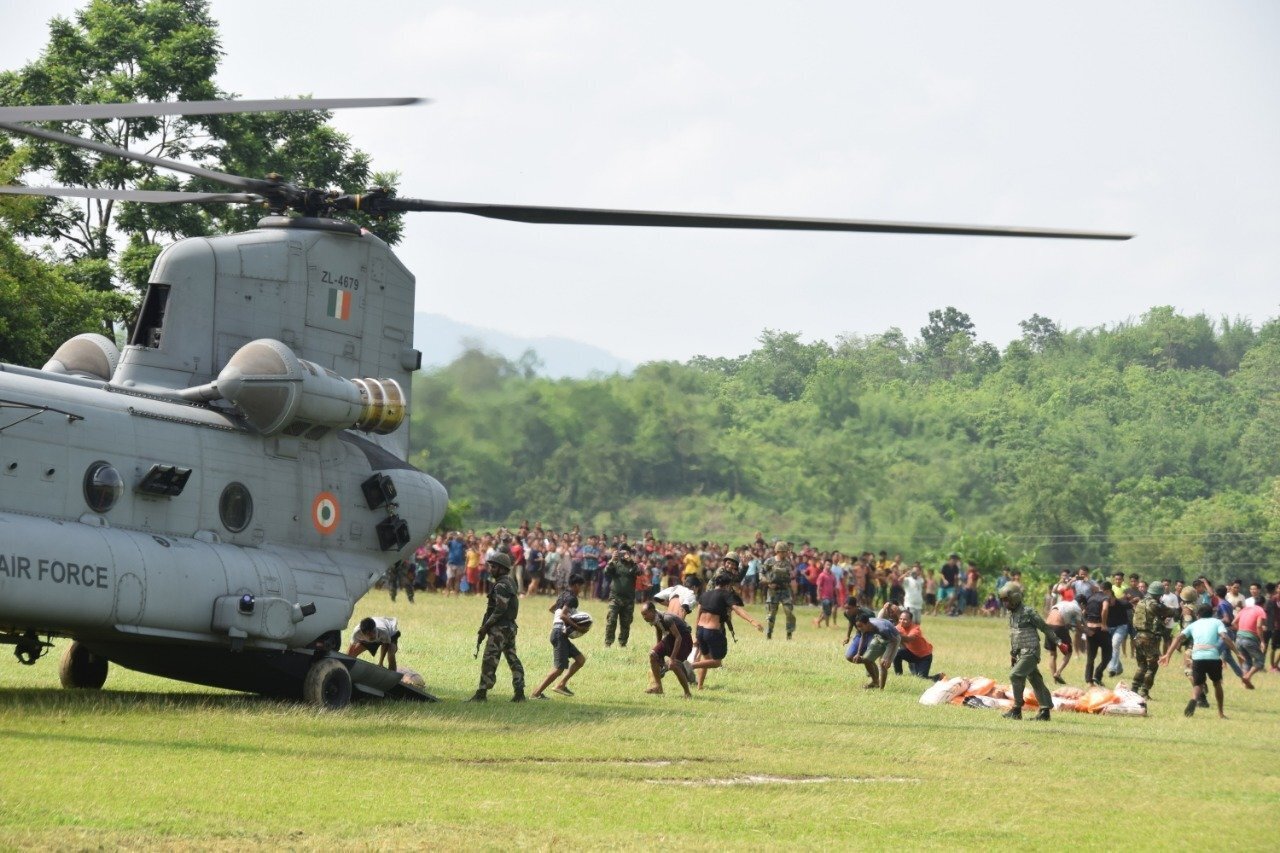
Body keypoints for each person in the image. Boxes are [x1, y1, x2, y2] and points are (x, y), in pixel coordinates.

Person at [1161, 603, 1241, 718]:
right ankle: (1221, 713)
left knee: (1198, 684)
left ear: (1198, 615)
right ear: (1212, 614)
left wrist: (1168, 654)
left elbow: (1178, 637)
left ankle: (1193, 699)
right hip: (1213, 657)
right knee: (1217, 683)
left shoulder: (1194, 624)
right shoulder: (1217, 622)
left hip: (1197, 657)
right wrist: (1237, 653)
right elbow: (1224, 637)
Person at [469, 552, 526, 702]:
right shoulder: (509, 581)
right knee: (512, 658)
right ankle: (519, 692)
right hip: (509, 627)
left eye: (493, 567)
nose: (490, 569)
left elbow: (499, 609)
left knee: (489, 659)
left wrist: (485, 627)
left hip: (500, 628)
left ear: (502, 568)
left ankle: (481, 694)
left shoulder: (501, 585)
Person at [691, 571, 763, 689]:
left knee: (706, 659)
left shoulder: (705, 595)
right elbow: (737, 609)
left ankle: (700, 686)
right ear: (728, 585)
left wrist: (695, 635)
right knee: (716, 662)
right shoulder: (726, 594)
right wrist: (752, 621)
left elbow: (698, 615)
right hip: (712, 632)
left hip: (700, 630)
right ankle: (691, 666)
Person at [998, 582, 1056, 721]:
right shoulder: (1012, 614)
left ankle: (1017, 709)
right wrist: (1013, 654)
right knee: (1035, 680)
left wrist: (1059, 642)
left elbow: (1045, 627)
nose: (1005, 603)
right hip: (1021, 653)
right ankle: (1045, 711)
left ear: (1015, 598)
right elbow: (1015, 635)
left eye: (1007, 600)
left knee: (1015, 675)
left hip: (1031, 651)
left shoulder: (1028, 612)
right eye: (1003, 600)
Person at [530, 574, 588, 700]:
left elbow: (552, 609)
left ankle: (561, 684)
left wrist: (563, 622)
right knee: (559, 668)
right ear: (576, 585)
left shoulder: (563, 595)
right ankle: (536, 693)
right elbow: (562, 615)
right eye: (581, 587)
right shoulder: (572, 598)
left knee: (580, 660)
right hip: (559, 634)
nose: (581, 589)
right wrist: (577, 627)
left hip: (559, 633)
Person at [1130, 582, 1178, 699]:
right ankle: (1144, 692)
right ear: (1159, 595)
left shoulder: (1141, 602)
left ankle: (1134, 689)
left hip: (1138, 636)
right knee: (1152, 666)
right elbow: (1170, 612)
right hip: (1149, 638)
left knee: (1141, 665)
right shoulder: (1154, 605)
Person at [639, 601, 693, 698]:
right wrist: (659, 652)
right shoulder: (655, 618)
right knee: (653, 655)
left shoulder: (667, 618)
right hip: (671, 638)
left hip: (684, 640)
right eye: (643, 615)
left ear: (652, 611)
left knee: (674, 665)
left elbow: (678, 638)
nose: (644, 617)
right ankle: (658, 687)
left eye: (645, 614)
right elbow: (659, 630)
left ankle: (687, 693)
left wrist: (672, 658)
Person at [845, 612, 900, 690]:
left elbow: (894, 641)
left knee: (883, 664)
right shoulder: (865, 626)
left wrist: (888, 658)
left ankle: (881, 689)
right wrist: (858, 653)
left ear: (867, 623)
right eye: (858, 627)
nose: (859, 628)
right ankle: (875, 682)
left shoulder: (882, 629)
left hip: (893, 639)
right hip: (879, 637)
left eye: (861, 626)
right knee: (866, 659)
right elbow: (863, 637)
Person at [603, 544, 643, 647]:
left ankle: (623, 643)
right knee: (611, 620)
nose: (624, 554)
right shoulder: (615, 563)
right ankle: (608, 643)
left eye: (626, 552)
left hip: (628, 599)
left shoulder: (632, 565)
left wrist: (632, 561)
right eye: (622, 552)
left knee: (626, 623)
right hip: (615, 598)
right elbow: (606, 571)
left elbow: (639, 572)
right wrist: (612, 559)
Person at [892, 610, 942, 681]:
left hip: (924, 657)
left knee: (921, 678)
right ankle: (899, 675)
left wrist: (897, 635)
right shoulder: (899, 627)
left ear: (910, 620)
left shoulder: (916, 629)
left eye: (905, 619)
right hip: (912, 654)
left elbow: (909, 639)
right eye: (901, 619)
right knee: (897, 653)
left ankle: (939, 677)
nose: (902, 621)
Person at [762, 540, 797, 640]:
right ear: (778, 551)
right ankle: (769, 633)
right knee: (771, 614)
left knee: (789, 611)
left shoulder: (788, 562)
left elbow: (793, 573)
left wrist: (791, 558)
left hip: (785, 590)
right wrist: (768, 582)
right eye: (784, 551)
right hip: (773, 591)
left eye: (787, 551)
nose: (786, 553)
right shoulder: (770, 561)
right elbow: (761, 573)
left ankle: (789, 634)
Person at [1045, 595, 1083, 684]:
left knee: (1052, 654)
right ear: (1082, 604)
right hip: (1058, 626)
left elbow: (1057, 614)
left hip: (1047, 626)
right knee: (1068, 652)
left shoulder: (1063, 602)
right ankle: (1057, 673)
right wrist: (1087, 630)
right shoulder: (1077, 608)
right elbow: (1078, 626)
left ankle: (1055, 680)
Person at [1232, 595, 1267, 688]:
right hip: (1249, 639)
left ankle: (1244, 684)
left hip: (1238, 638)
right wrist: (1262, 641)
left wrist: (1242, 631)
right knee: (1260, 660)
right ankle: (1247, 677)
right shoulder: (1261, 610)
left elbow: (1233, 623)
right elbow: (1259, 626)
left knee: (1247, 661)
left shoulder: (1245, 609)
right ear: (1263, 604)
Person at [1082, 582, 1113, 686]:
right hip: (1100, 629)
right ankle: (1098, 674)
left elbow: (1083, 612)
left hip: (1090, 628)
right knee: (1108, 655)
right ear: (1108, 590)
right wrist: (1104, 624)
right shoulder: (1105, 598)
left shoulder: (1090, 597)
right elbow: (1105, 608)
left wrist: (1086, 624)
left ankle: (1089, 681)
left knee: (1090, 657)